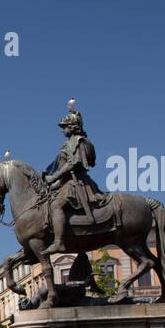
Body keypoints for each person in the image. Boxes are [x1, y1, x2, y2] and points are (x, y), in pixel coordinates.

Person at [42, 107, 111, 256]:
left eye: (65, 127)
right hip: (67, 181)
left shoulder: (79, 141)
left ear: (73, 127)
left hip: (76, 182)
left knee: (56, 205)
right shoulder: (70, 143)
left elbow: (74, 163)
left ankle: (59, 242)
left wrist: (54, 177)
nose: (63, 130)